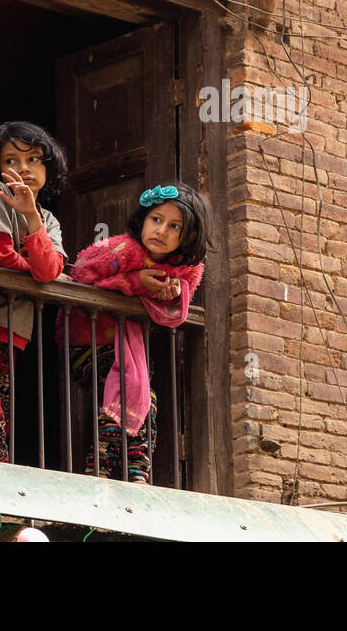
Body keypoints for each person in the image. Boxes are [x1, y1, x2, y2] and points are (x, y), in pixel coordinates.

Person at [60, 183, 210, 483]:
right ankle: (100, 469)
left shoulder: (187, 269)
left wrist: (174, 294)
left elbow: (182, 298)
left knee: (146, 400)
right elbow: (80, 275)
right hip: (87, 344)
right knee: (131, 391)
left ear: (189, 236)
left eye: (174, 226)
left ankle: (135, 471)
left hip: (133, 355)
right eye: (156, 219)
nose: (162, 230)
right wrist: (134, 281)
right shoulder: (119, 249)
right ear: (143, 219)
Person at [0, 121, 68, 463]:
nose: (23, 168)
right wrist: (35, 268)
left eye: (34, 159)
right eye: (11, 161)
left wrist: (32, 217)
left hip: (12, 330)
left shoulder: (48, 219)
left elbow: (50, 270)